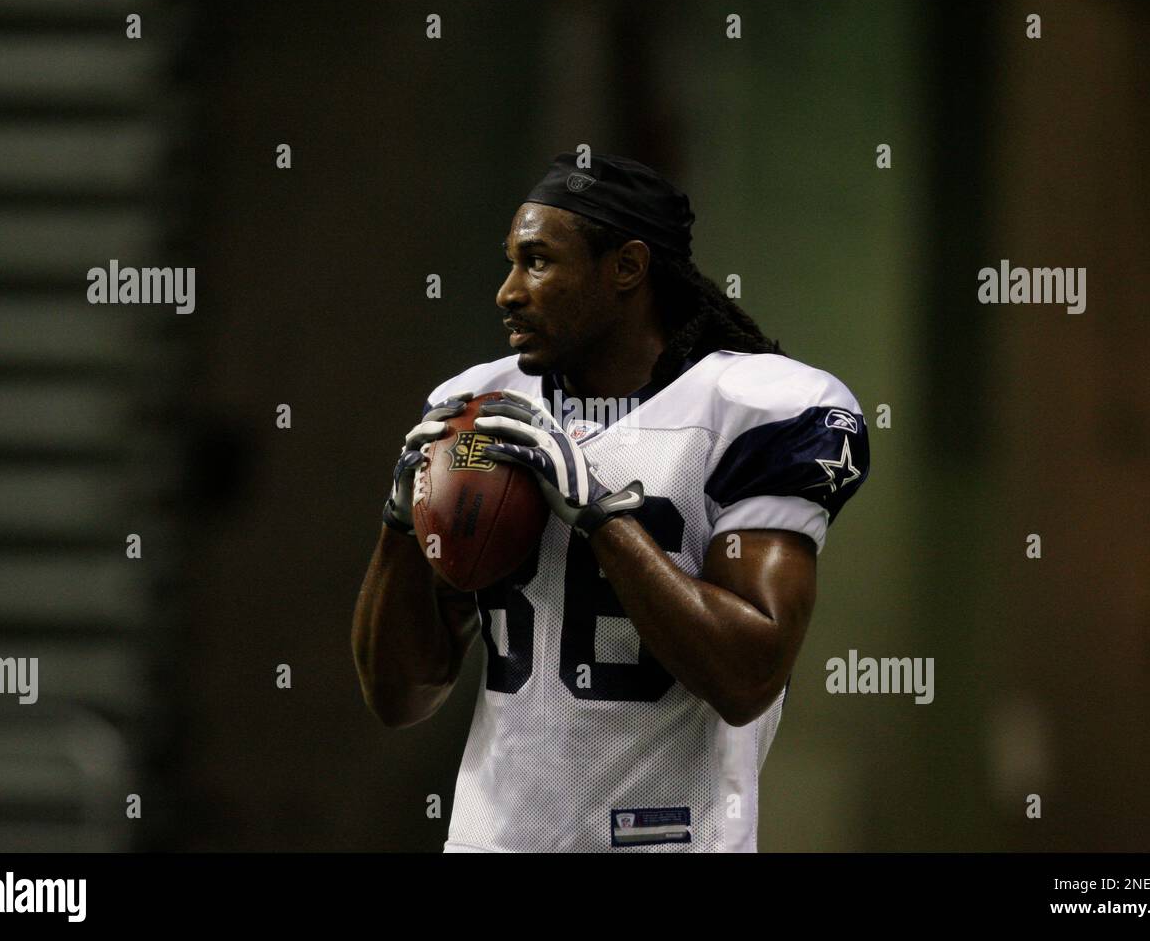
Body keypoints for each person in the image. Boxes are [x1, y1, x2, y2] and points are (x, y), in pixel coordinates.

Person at [352, 152, 870, 851]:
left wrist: (598, 513)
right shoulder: (476, 406)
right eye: (510, 262)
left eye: (537, 262)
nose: (507, 291)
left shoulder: (758, 409)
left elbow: (747, 677)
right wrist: (400, 526)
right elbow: (399, 697)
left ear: (626, 267)